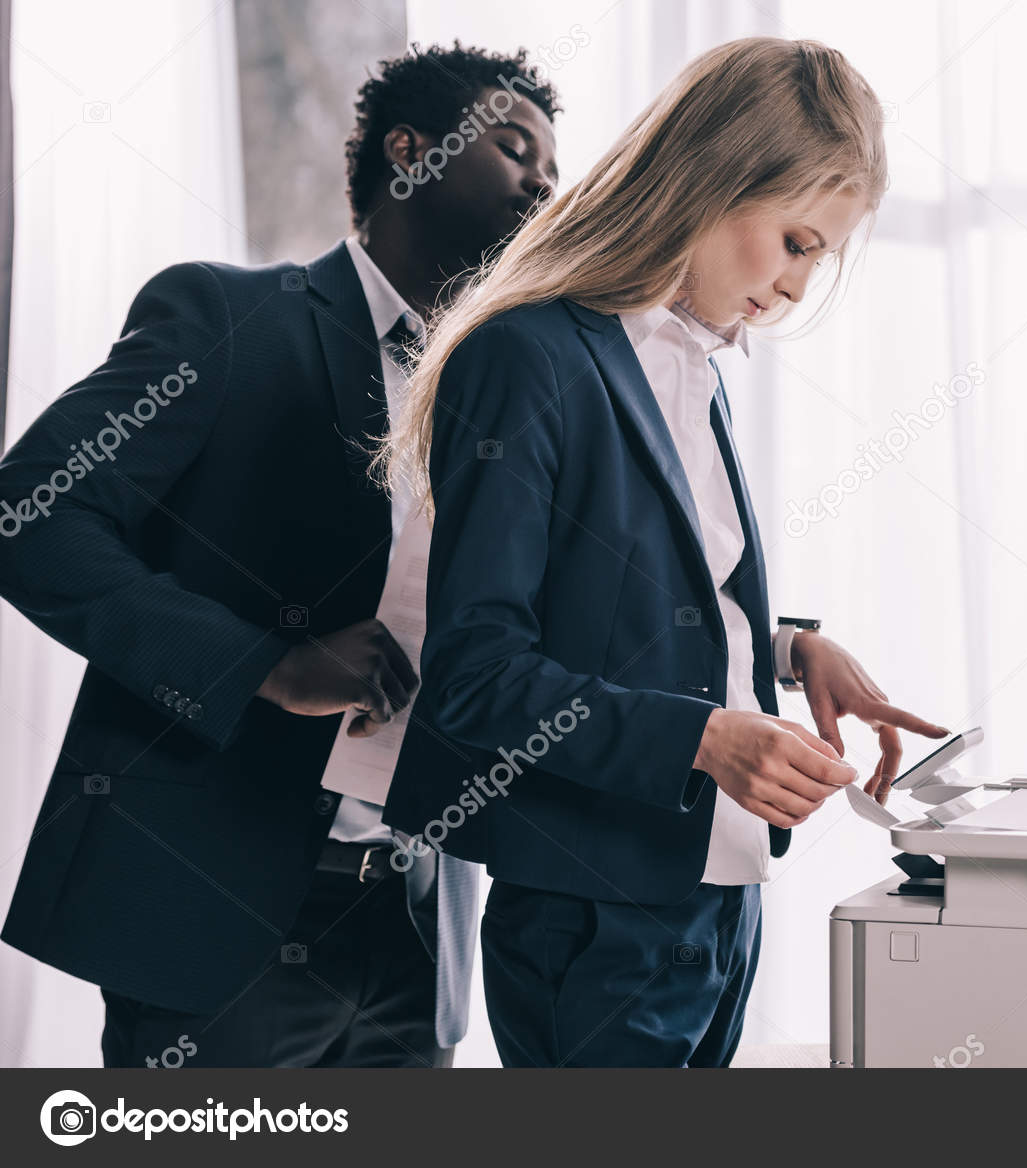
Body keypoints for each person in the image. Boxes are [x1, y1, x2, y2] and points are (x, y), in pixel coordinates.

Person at [378, 35, 947, 1068]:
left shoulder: (693, 362)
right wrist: (704, 737)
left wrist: (783, 651)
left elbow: (622, 594)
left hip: (715, 894)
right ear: (710, 180)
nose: (796, 287)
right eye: (795, 242)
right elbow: (476, 675)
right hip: (596, 904)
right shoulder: (529, 356)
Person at [0, 41, 560, 1067]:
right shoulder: (228, 316)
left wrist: (780, 647)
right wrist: (261, 661)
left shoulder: (503, 392)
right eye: (517, 149)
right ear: (413, 150)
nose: (542, 183)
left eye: (553, 173)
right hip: (220, 914)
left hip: (416, 929)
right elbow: (33, 517)